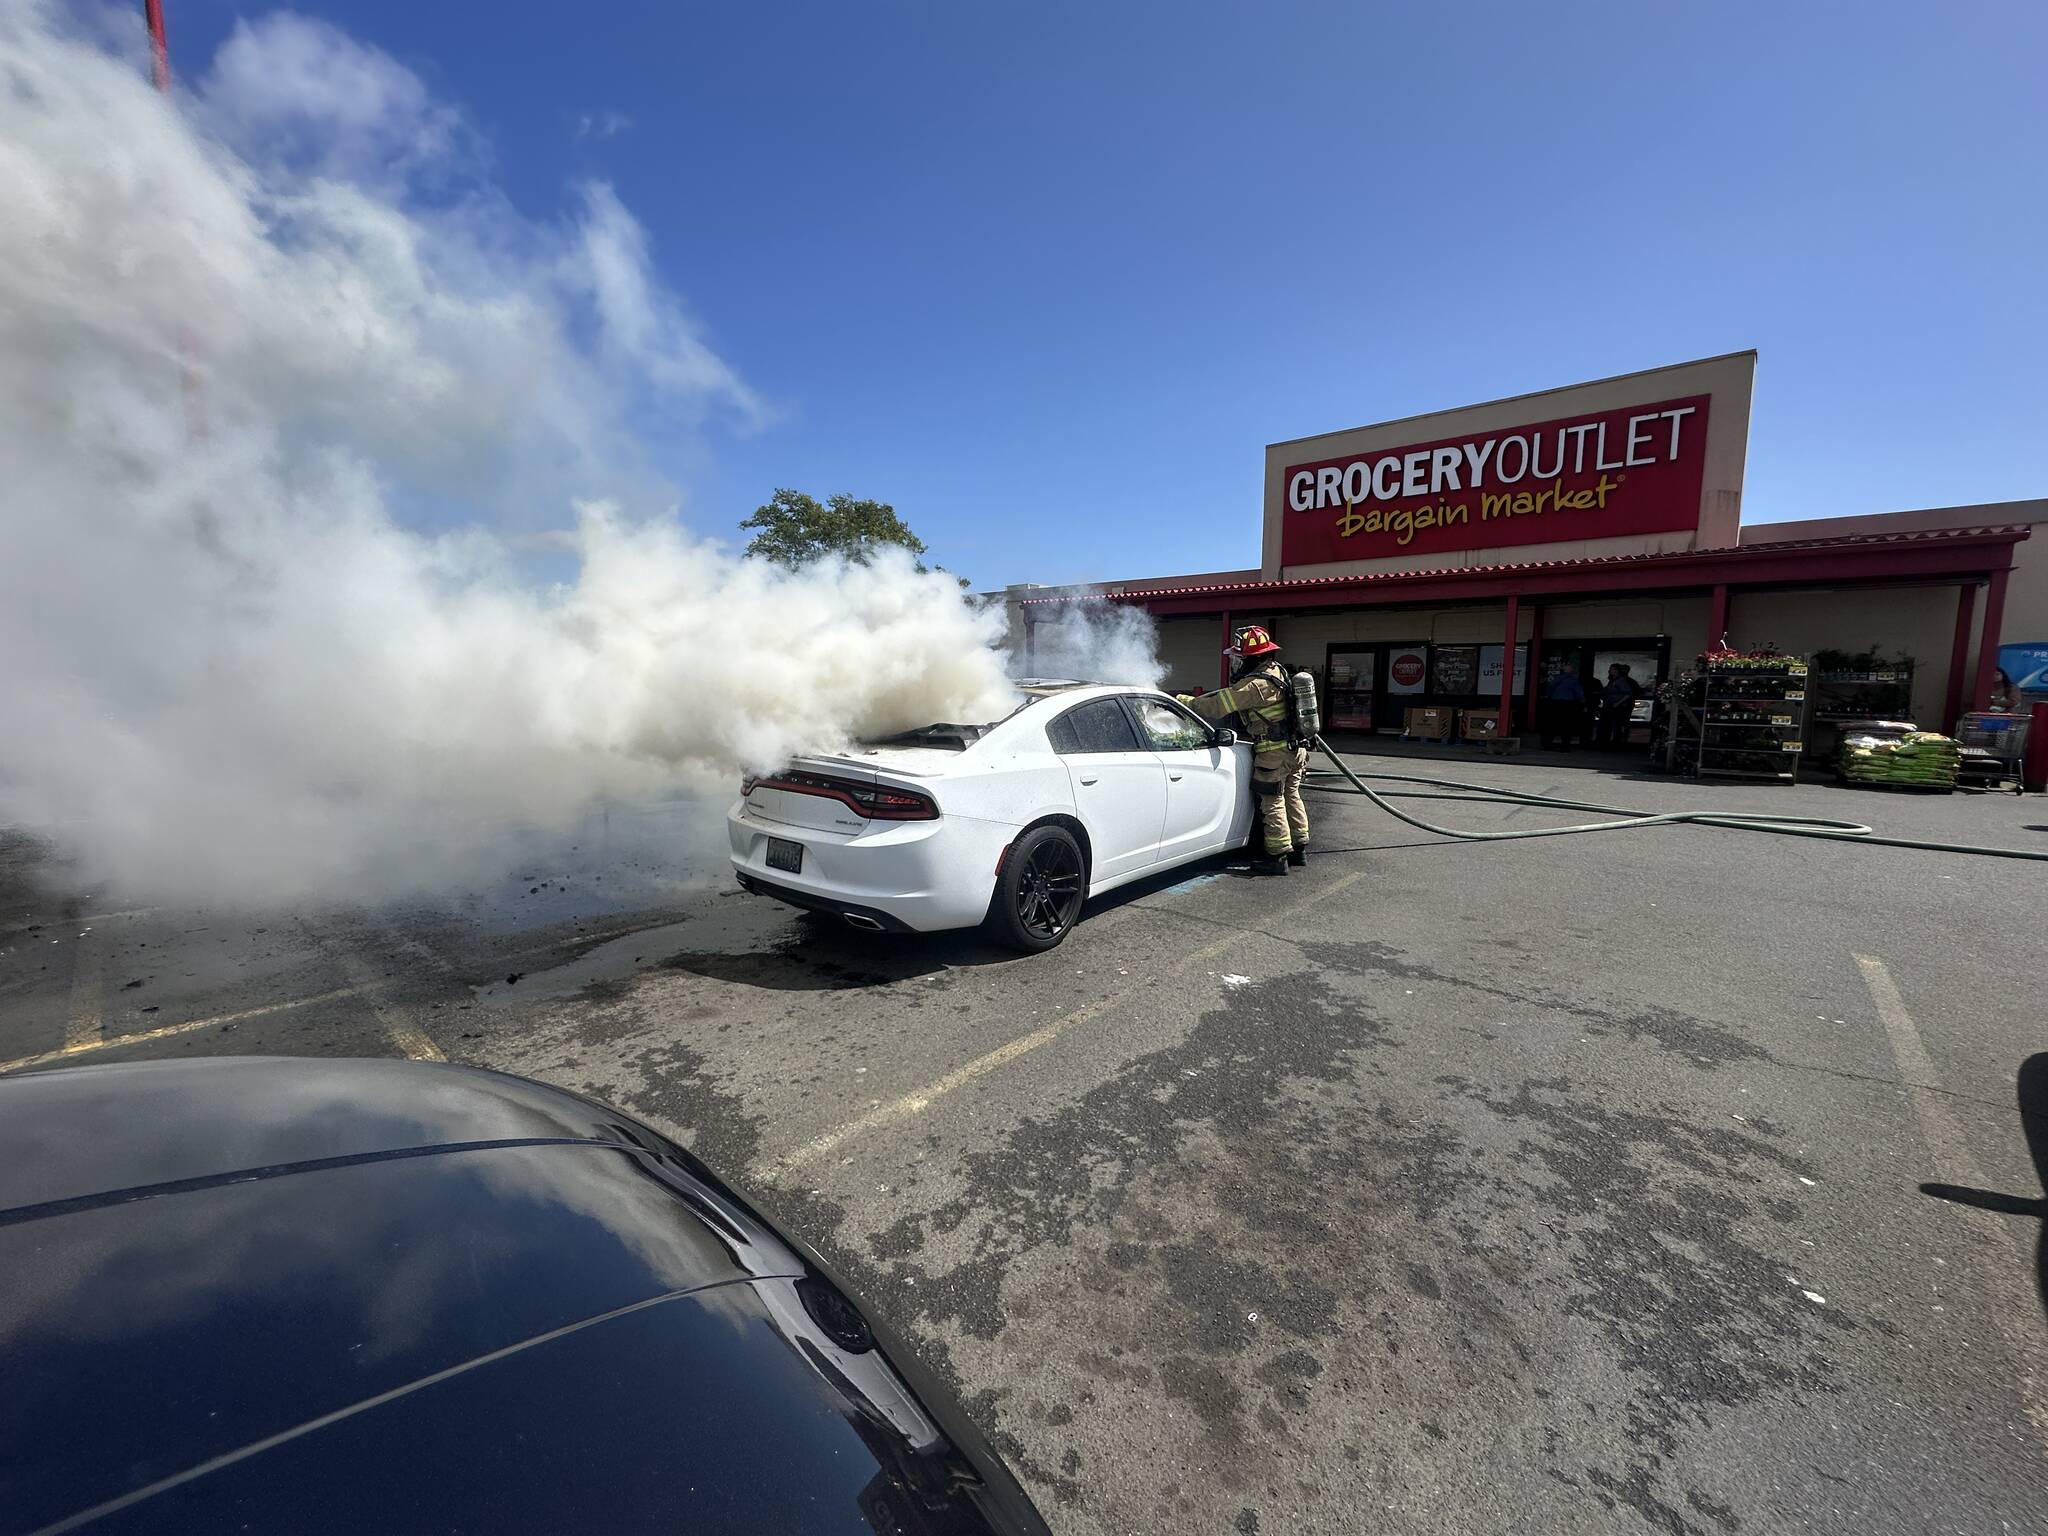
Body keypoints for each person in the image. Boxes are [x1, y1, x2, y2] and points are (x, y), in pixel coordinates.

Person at [1179, 625, 1307, 875]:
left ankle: (1277, 857)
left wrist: (1186, 703)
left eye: (1240, 657)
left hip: (1274, 753)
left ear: (1254, 657)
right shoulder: (1276, 671)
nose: (1237, 662)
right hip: (1295, 750)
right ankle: (1299, 850)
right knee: (1292, 796)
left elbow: (1218, 706)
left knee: (1272, 802)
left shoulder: (1255, 685)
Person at [1593, 663, 1644, 749]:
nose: (1610, 671)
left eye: (1612, 669)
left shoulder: (1620, 681)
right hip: (1610, 704)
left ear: (1616, 671)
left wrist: (1618, 703)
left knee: (1615, 724)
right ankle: (1605, 741)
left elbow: (1628, 693)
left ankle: (1614, 742)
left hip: (1615, 706)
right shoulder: (1613, 680)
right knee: (1607, 724)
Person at [1541, 661, 1586, 750]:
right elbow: (1579, 693)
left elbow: (1550, 688)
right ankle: (1561, 746)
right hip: (1563, 703)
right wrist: (1582, 701)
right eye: (1568, 666)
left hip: (1561, 703)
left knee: (1558, 724)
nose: (1570, 668)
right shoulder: (1569, 679)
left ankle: (1553, 745)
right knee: (1563, 725)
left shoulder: (1560, 678)